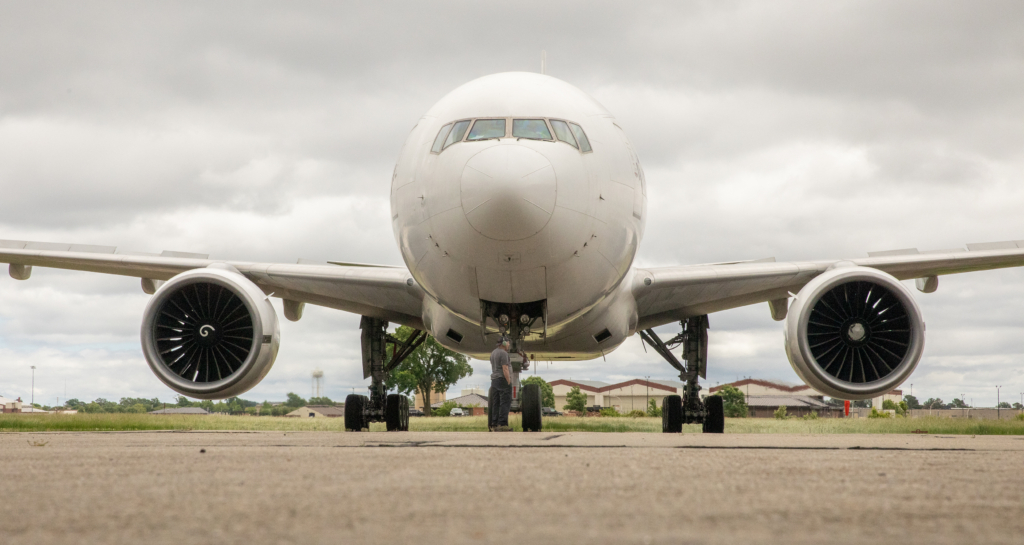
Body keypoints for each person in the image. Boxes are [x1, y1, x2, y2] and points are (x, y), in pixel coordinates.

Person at [488, 337, 513, 431]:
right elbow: (505, 368)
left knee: (496, 403)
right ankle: (502, 424)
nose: (509, 344)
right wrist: (509, 380)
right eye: (508, 342)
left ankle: (494, 423)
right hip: (502, 380)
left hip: (494, 381)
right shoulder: (503, 353)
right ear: (504, 343)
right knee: (505, 402)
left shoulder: (493, 352)